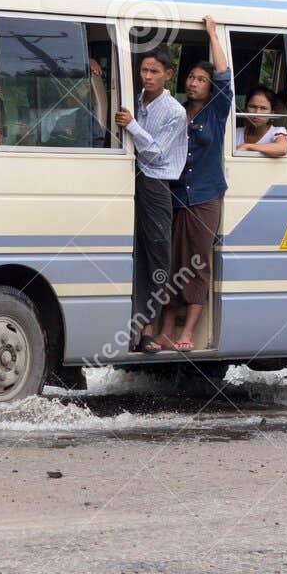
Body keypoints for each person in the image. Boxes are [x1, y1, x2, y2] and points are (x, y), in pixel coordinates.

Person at [153, 17, 232, 353]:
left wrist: (213, 34)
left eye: (201, 79)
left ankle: (188, 331)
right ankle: (165, 330)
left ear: (210, 87)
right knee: (170, 264)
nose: (194, 83)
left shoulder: (216, 112)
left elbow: (225, 75)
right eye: (191, 77)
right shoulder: (175, 111)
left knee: (197, 263)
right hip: (173, 197)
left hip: (204, 198)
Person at [114, 47, 188, 353]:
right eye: (144, 70)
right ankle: (132, 329)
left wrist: (131, 125)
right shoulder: (135, 101)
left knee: (157, 256)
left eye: (154, 71)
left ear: (168, 74)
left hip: (156, 184)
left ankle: (147, 329)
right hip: (130, 178)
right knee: (130, 251)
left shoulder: (174, 112)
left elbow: (156, 153)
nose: (147, 77)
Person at [237, 87, 287, 156]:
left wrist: (247, 146)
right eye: (253, 107)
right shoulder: (236, 133)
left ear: (272, 112)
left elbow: (283, 148)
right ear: (245, 109)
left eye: (263, 108)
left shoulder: (277, 132)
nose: (257, 113)